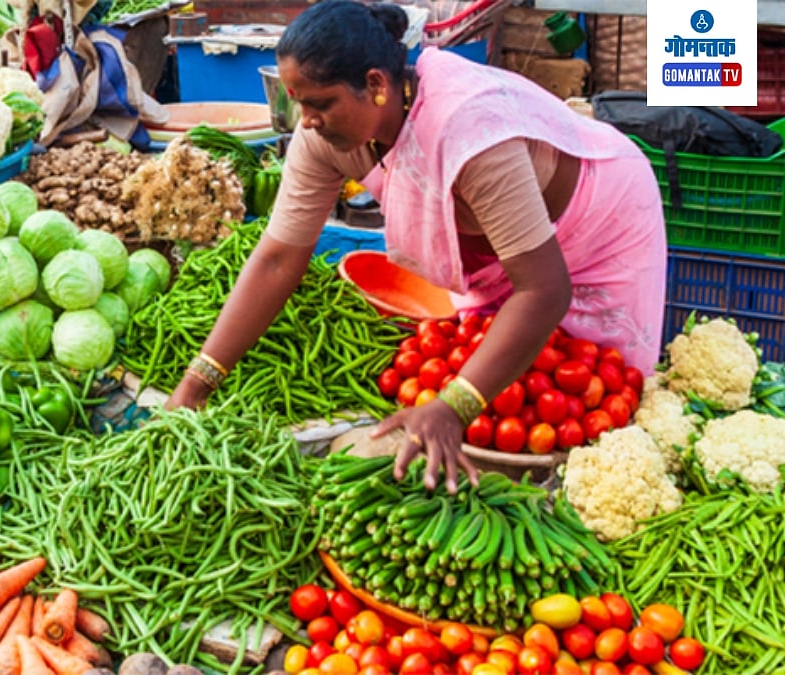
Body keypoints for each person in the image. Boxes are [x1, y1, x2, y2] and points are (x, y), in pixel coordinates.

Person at [165, 0, 666, 493]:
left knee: (596, 403)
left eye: (319, 103)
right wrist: (196, 384)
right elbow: (278, 258)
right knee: (510, 391)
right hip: (498, 251)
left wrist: (453, 405)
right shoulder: (323, 136)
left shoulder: (466, 126)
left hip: (597, 223)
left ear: (378, 86)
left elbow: (542, 290)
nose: (307, 120)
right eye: (298, 102)